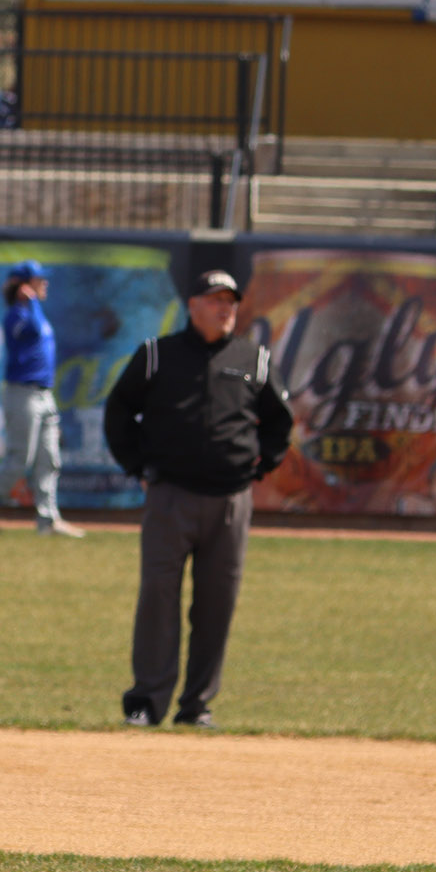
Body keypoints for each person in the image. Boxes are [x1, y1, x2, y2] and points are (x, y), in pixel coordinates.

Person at [104, 268, 293, 730]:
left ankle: (197, 706)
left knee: (216, 604)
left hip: (230, 501)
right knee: (158, 598)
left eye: (230, 301)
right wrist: (138, 467)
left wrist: (261, 465)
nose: (225, 309)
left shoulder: (255, 359)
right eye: (215, 300)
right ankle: (147, 702)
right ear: (192, 306)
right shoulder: (157, 355)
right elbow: (119, 410)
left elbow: (279, 421)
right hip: (170, 496)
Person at [0, 260, 85, 537]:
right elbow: (29, 329)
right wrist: (28, 300)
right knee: (19, 460)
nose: (45, 284)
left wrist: (33, 301)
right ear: (24, 286)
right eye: (39, 280)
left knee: (49, 459)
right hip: (22, 394)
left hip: (44, 394)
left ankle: (48, 520)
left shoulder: (34, 311)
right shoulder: (18, 314)